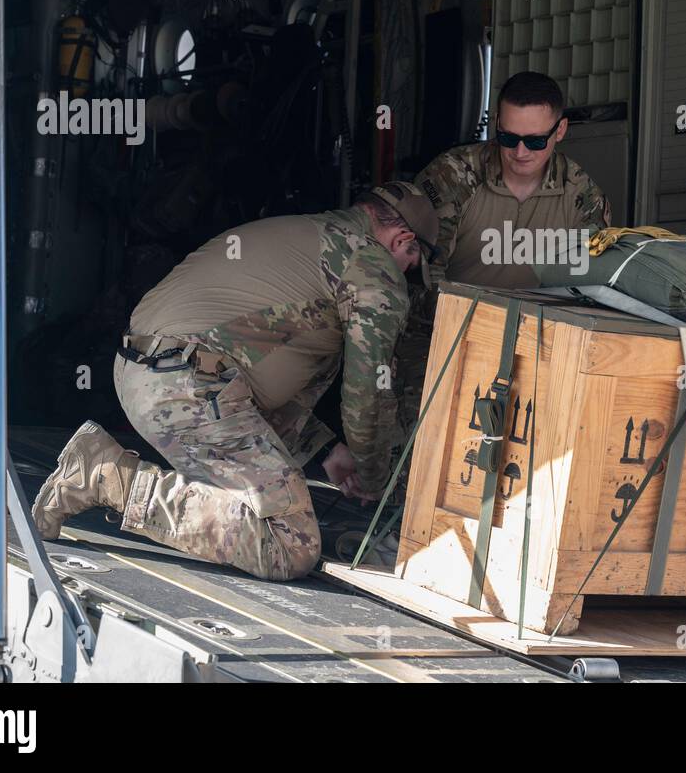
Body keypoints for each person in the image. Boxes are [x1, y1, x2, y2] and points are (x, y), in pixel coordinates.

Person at [31, 182, 437, 581]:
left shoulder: (302, 237)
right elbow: (367, 392)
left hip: (148, 374)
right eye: (412, 268)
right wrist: (375, 475)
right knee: (289, 545)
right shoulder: (371, 265)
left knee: (258, 509)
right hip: (189, 389)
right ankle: (108, 479)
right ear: (403, 241)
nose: (403, 277)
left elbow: (258, 372)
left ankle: (107, 475)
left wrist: (326, 449)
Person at [395, 71, 612, 429]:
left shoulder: (582, 198)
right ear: (497, 123)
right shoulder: (454, 176)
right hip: (440, 335)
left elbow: (588, 291)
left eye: (535, 141)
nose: (520, 152)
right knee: (424, 446)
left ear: (560, 131)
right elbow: (420, 278)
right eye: (508, 137)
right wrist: (484, 327)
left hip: (532, 346)